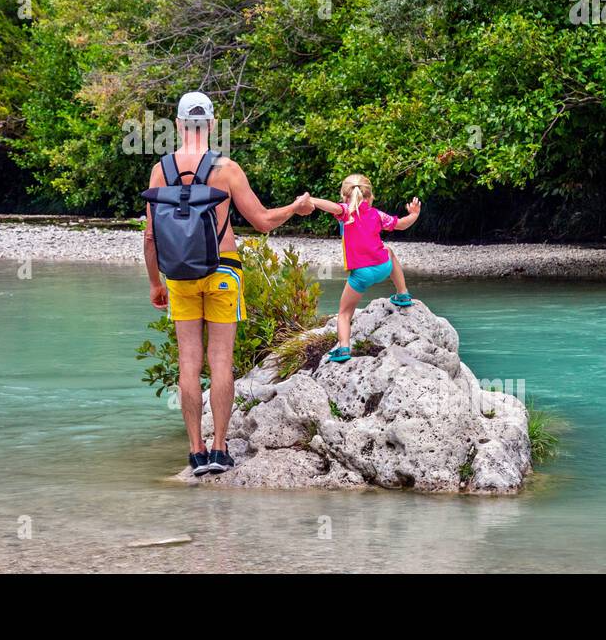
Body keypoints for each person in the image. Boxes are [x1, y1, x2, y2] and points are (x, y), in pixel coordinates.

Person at [144, 91, 313, 476]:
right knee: (221, 360)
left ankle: (195, 452)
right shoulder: (226, 168)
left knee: (189, 362)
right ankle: (220, 449)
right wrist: (296, 208)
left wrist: (155, 283)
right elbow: (264, 221)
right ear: (213, 124)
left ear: (178, 124)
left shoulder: (161, 170)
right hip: (223, 271)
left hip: (180, 276)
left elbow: (151, 237)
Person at [307, 174, 421, 363]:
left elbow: (331, 206)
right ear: (370, 196)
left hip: (361, 275)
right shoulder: (377, 214)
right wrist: (414, 214)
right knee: (389, 251)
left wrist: (311, 200)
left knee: (344, 313)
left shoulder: (345, 212)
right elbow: (401, 225)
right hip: (383, 266)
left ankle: (344, 347)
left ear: (344, 196)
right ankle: (403, 293)